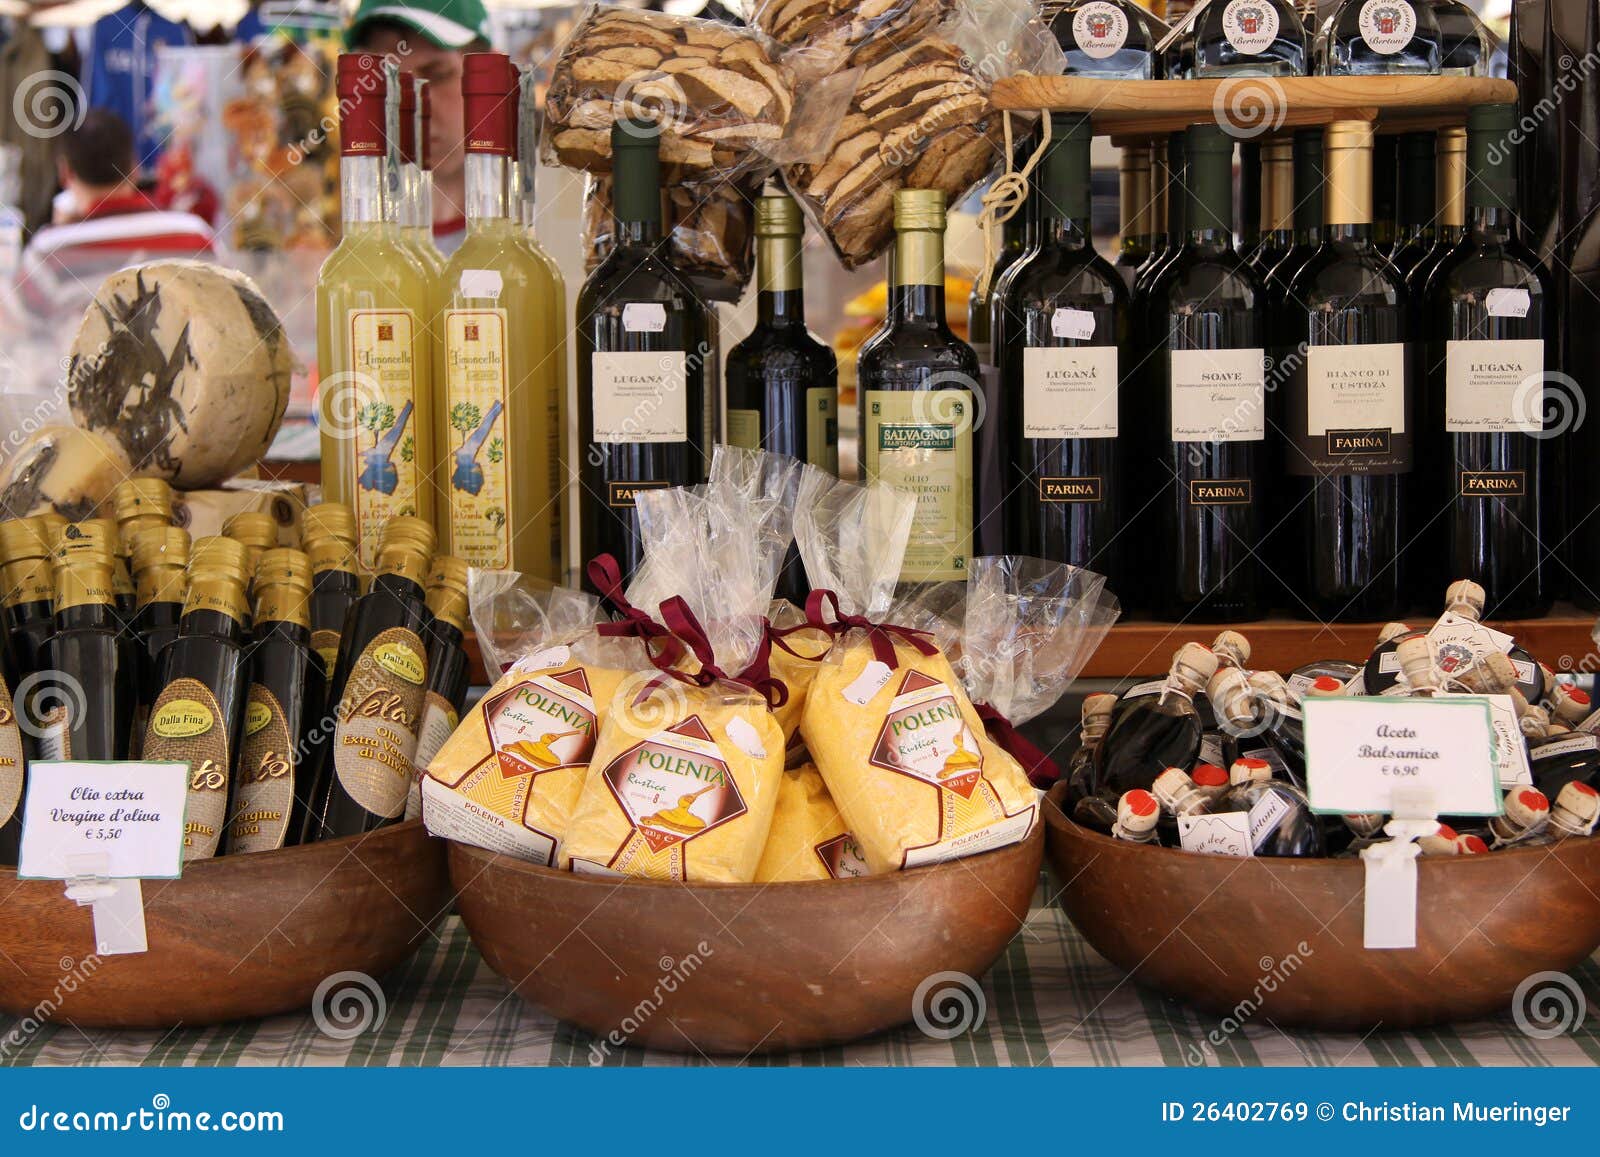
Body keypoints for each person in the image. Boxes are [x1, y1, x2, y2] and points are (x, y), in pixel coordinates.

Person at [14, 109, 213, 320]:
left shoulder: (48, 252)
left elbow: (16, 334)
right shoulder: (196, 236)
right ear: (135, 167)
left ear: (65, 173)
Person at [345, 0, 493, 255]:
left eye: (437, 75)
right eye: (389, 83)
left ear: (488, 77)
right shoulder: (357, 238)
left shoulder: (551, 225)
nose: (412, 106)